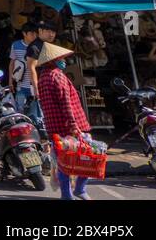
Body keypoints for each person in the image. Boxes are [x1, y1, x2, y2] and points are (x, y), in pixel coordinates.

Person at [34, 42, 94, 200]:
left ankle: (67, 195)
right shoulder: (58, 76)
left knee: (63, 162)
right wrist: (74, 126)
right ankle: (79, 189)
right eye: (61, 58)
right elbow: (66, 104)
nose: (64, 61)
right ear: (53, 60)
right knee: (88, 157)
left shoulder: (43, 77)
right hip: (69, 126)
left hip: (54, 126)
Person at [10, 21, 42, 124]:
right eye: (32, 33)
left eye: (35, 33)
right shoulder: (16, 45)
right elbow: (12, 63)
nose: (34, 36)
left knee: (36, 115)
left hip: (35, 85)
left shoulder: (38, 46)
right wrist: (10, 81)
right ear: (24, 33)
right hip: (21, 85)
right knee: (20, 113)